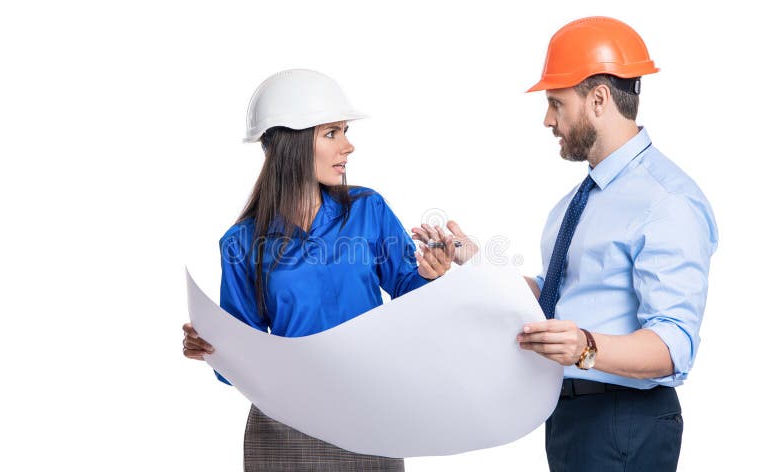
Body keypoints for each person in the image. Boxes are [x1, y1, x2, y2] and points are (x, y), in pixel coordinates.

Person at [413, 16, 718, 471]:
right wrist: (473, 264)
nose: (547, 120)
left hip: (623, 420)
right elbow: (558, 293)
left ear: (597, 99)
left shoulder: (667, 201)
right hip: (570, 415)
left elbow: (674, 345)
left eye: (556, 103)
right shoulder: (580, 200)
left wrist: (585, 348)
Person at [181, 69, 454, 471]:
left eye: (344, 131)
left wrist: (431, 277)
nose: (349, 146)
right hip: (284, 428)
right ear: (291, 142)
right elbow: (243, 358)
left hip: (369, 415)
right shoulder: (241, 243)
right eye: (332, 133)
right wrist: (213, 350)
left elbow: (409, 293)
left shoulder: (367, 210)